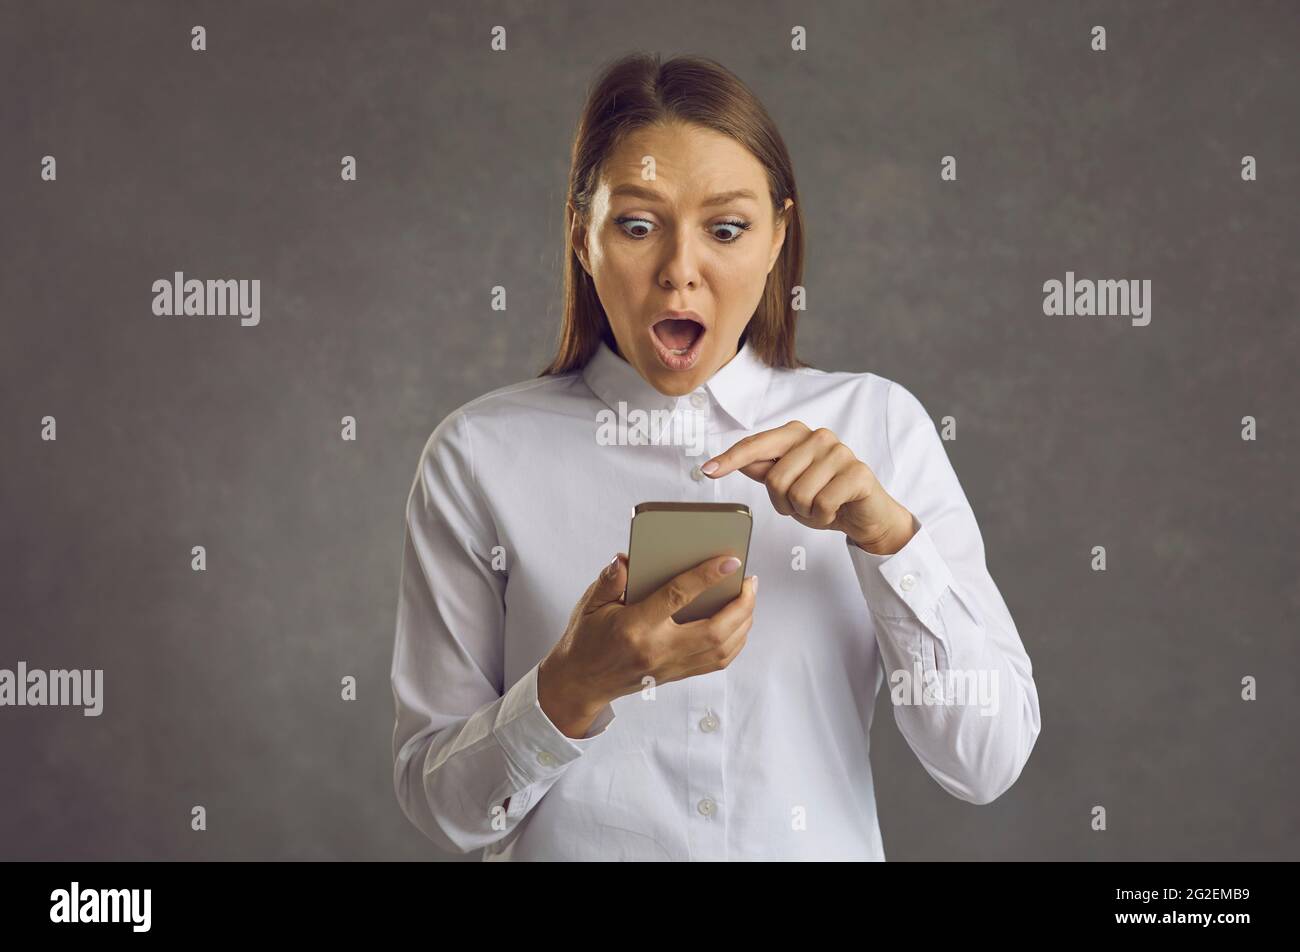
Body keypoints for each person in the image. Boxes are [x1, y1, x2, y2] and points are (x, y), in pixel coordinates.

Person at [391, 52, 1041, 861]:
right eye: (637, 225)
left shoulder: (878, 426)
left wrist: (891, 543)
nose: (679, 272)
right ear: (581, 239)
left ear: (777, 239)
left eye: (726, 229)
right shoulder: (478, 455)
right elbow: (442, 803)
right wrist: (573, 689)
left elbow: (986, 761)